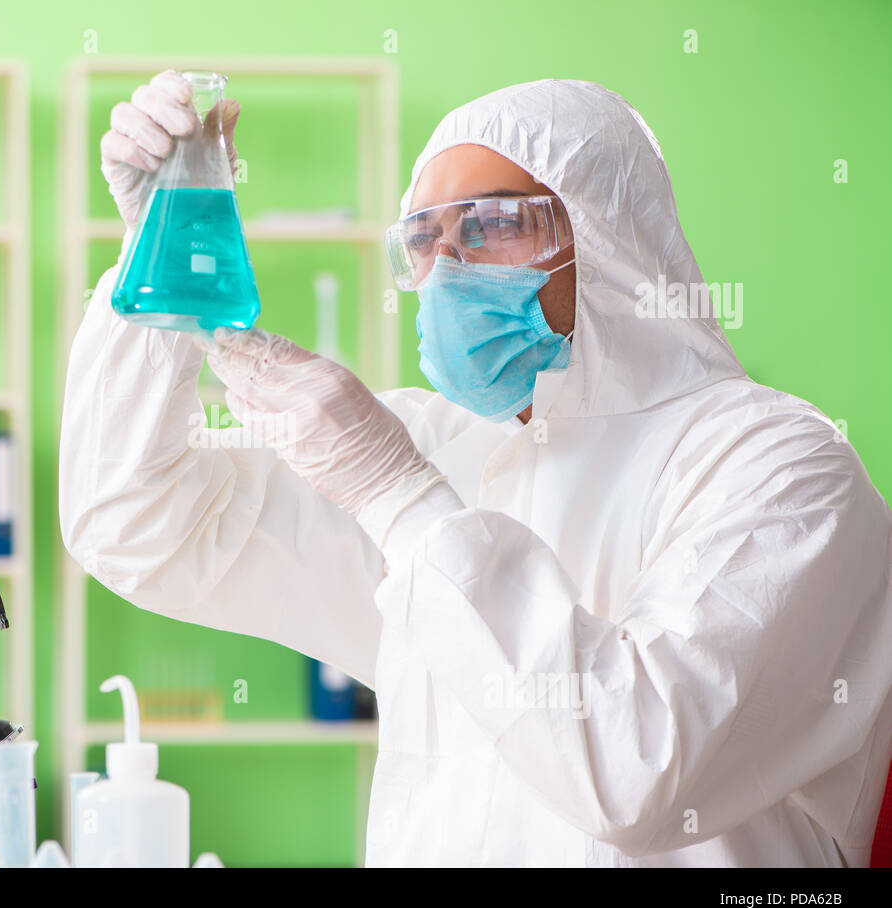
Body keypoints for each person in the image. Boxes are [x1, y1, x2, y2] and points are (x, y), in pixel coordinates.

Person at [60, 73, 892, 866]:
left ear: (601, 236)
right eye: (423, 238)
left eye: (491, 223)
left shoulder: (780, 466)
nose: (448, 266)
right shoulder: (440, 447)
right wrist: (156, 254)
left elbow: (633, 769)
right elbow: (135, 520)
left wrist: (398, 496)